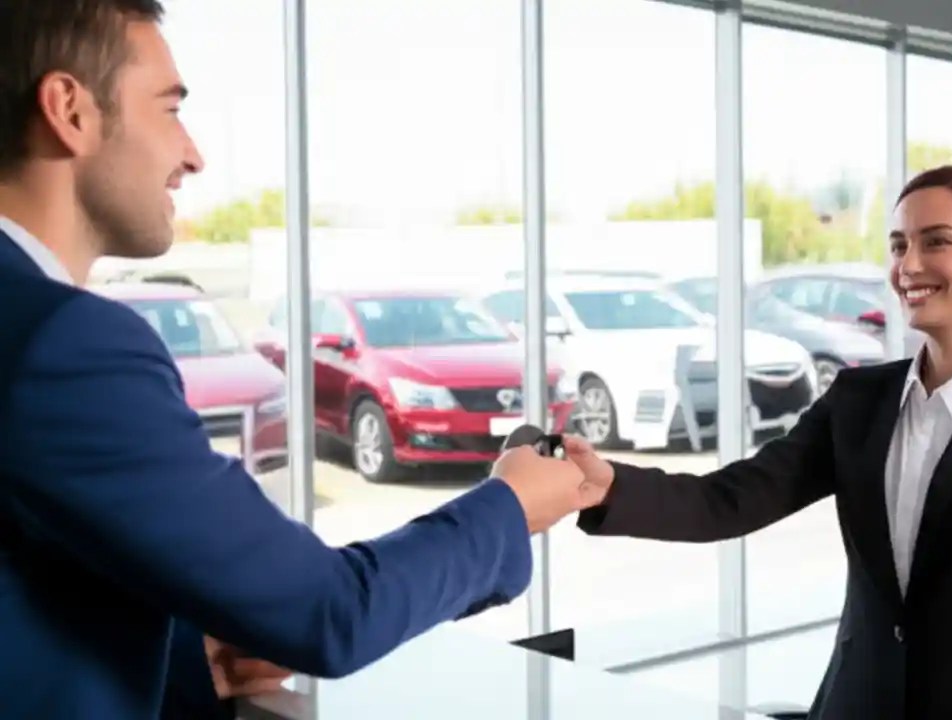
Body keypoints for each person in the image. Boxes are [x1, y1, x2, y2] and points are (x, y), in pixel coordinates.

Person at [0, 2, 590, 718]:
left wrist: (184, 657)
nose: (192, 155)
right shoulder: (64, 342)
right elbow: (330, 612)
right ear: (69, 110)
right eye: (169, 110)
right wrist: (513, 504)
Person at [568, 165, 952, 719]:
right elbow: (730, 500)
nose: (908, 266)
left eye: (937, 242)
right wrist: (608, 486)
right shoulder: (859, 401)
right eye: (898, 245)